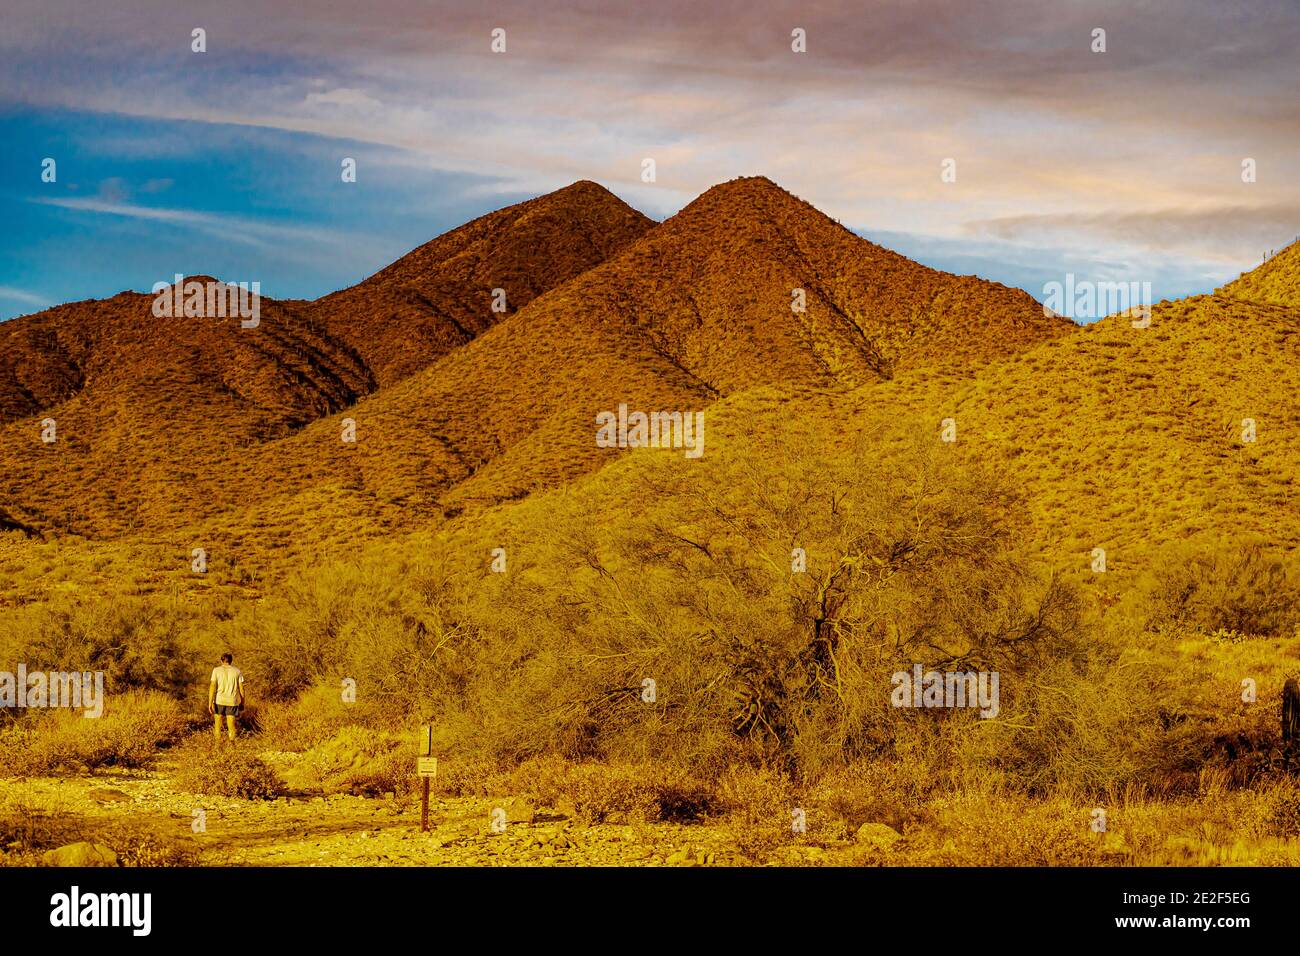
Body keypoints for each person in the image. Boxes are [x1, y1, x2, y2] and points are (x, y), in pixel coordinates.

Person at [208, 653, 246, 743]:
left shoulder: (216, 670)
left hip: (219, 700)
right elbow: (241, 688)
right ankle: (231, 745)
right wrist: (242, 702)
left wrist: (210, 703)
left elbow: (212, 686)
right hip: (232, 701)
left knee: (217, 725)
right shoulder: (237, 671)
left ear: (221, 660)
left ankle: (217, 746)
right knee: (231, 725)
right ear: (231, 661)